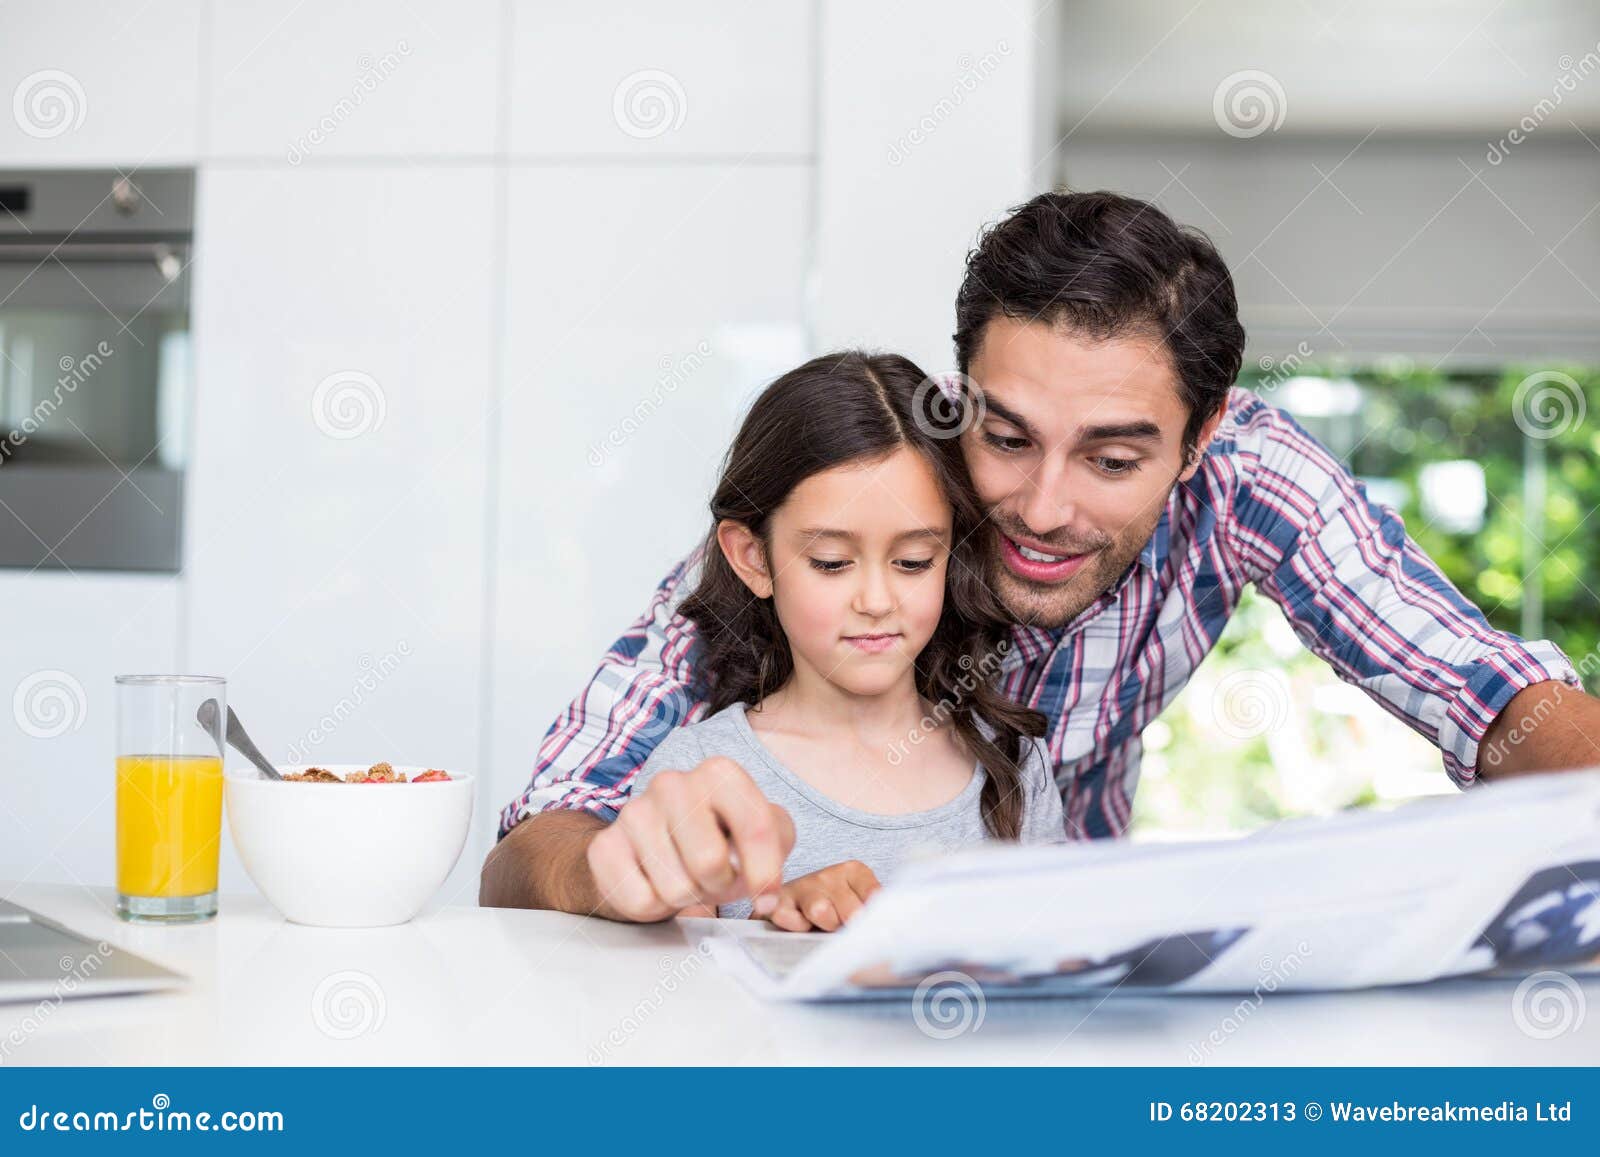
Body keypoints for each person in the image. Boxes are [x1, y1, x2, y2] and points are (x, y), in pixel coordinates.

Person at [481, 189, 1599, 920]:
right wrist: (605, 868)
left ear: (1198, 438)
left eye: (1111, 459)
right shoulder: (865, 490)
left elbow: (1493, 695)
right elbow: (538, 832)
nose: (1039, 508)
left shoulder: (1248, 477)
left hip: (1055, 950)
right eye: (1004, 436)